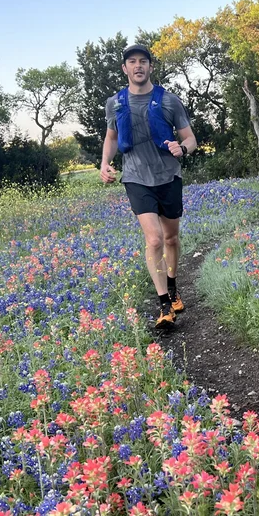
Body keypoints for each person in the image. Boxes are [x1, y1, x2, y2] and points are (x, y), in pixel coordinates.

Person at [100, 44, 197, 329]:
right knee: (153, 240)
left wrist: (182, 149)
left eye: (143, 61)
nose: (138, 66)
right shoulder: (115, 103)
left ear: (151, 67)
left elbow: (190, 139)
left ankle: (173, 284)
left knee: (170, 239)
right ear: (125, 69)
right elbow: (111, 137)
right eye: (132, 62)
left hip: (168, 176)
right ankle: (164, 304)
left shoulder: (169, 101)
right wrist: (105, 163)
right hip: (135, 177)